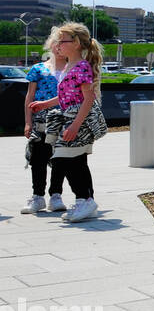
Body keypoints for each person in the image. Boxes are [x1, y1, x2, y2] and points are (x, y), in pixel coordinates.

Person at [28, 23, 103, 223]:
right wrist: (44, 104)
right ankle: (84, 200)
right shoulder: (70, 66)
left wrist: (76, 125)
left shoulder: (82, 67)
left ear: (76, 43)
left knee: (67, 159)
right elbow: (66, 96)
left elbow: (88, 98)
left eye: (63, 41)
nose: (58, 44)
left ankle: (84, 200)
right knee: (71, 160)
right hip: (67, 119)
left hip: (76, 121)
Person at [20, 31, 68, 214]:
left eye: (62, 43)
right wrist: (27, 122)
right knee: (38, 159)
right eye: (56, 43)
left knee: (60, 159)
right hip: (40, 120)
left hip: (65, 120)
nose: (58, 47)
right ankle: (37, 196)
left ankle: (56, 195)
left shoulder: (73, 69)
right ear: (50, 45)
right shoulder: (38, 69)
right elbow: (29, 97)